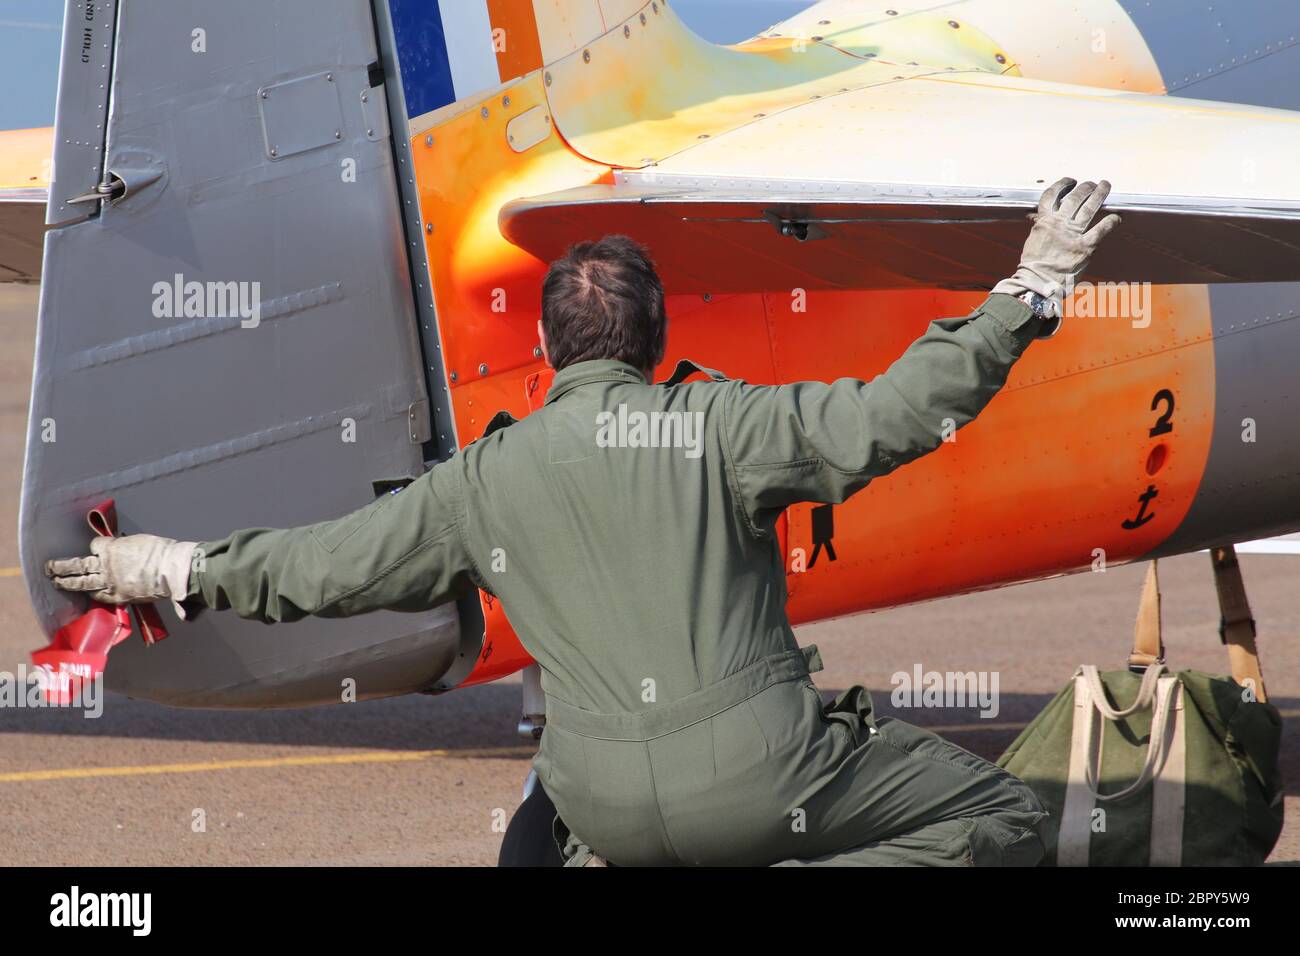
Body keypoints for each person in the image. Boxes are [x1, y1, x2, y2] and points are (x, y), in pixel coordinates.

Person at [47, 178, 1120, 866]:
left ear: (552, 351)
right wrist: (1025, 291)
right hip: (762, 786)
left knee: (537, 825)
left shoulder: (486, 476)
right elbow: (893, 413)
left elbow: (331, 565)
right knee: (1007, 818)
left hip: (602, 810)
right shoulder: (720, 424)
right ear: (654, 343)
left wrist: (177, 565)